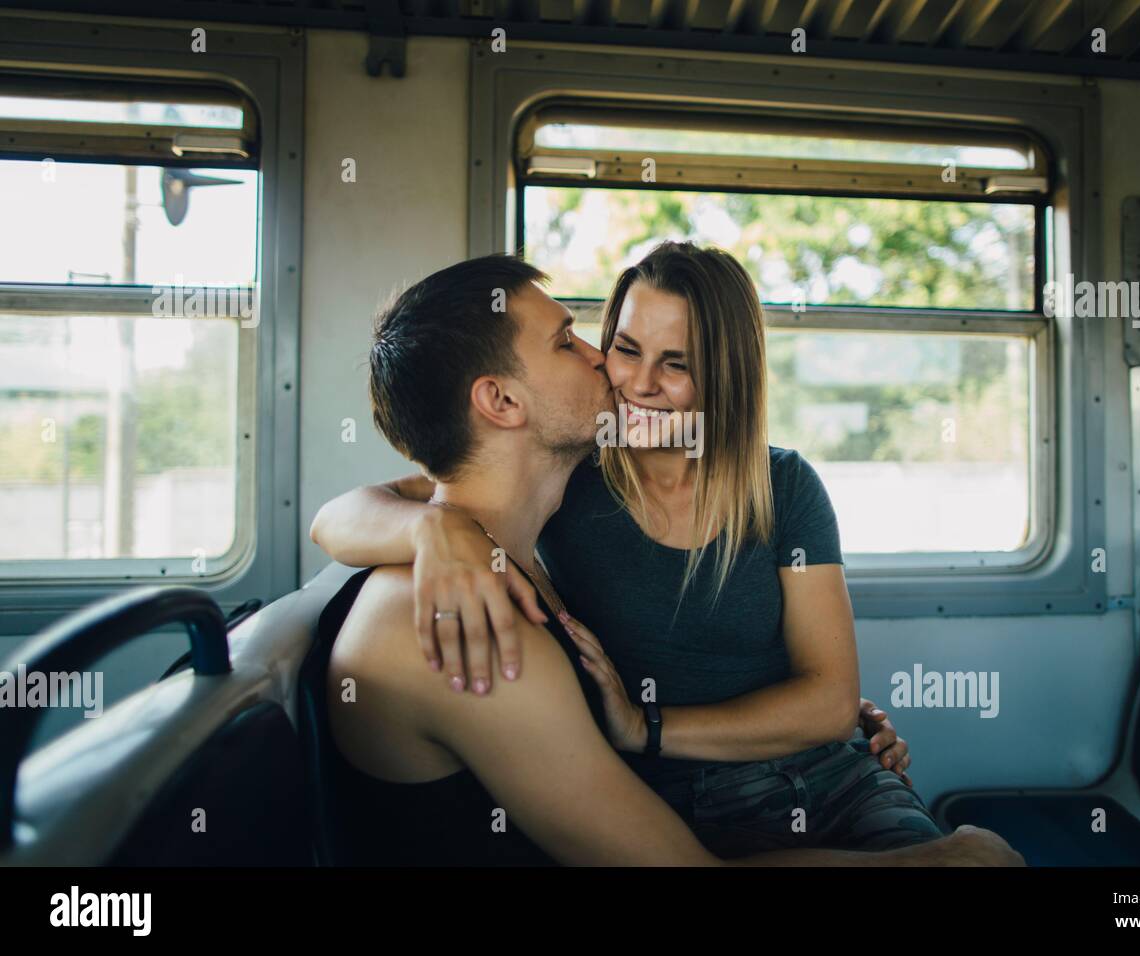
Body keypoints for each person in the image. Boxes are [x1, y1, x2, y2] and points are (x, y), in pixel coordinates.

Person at [316, 252, 1023, 865]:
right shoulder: (491, 590)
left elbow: (829, 701)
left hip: (828, 777)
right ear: (501, 400)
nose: (609, 365)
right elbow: (345, 514)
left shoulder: (511, 536)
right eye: (573, 343)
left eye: (676, 362)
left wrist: (436, 530)